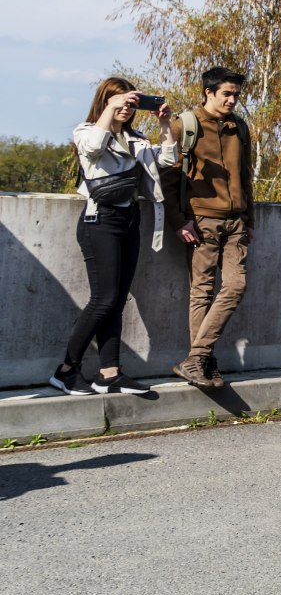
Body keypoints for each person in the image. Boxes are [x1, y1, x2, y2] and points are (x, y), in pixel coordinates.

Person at [52, 78, 178, 396]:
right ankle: (66, 370)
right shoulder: (86, 131)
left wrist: (164, 125)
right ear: (105, 102)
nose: (125, 107)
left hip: (128, 220)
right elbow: (93, 149)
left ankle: (109, 373)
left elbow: (167, 160)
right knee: (103, 299)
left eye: (130, 103)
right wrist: (109, 108)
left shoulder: (135, 140)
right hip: (99, 221)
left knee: (117, 302)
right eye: (118, 101)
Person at [160, 67, 253, 391]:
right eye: (226, 94)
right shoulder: (186, 125)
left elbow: (246, 175)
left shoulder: (239, 128)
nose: (232, 100)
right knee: (201, 291)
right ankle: (201, 361)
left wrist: (249, 219)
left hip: (236, 222)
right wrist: (178, 221)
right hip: (202, 221)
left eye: (236, 95)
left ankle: (197, 356)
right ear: (208, 92)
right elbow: (167, 181)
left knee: (235, 286)